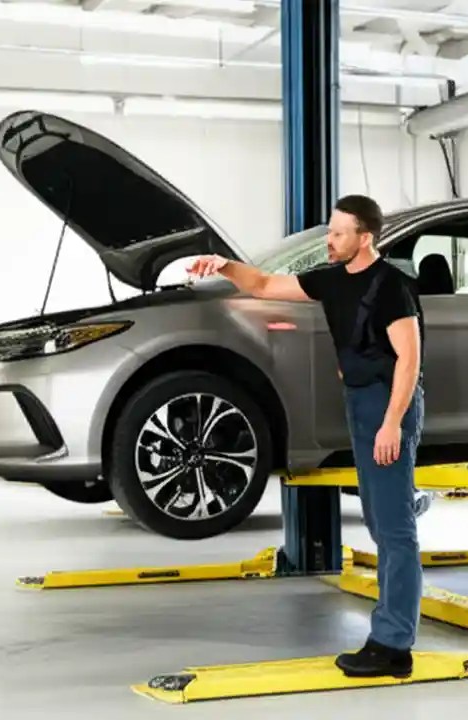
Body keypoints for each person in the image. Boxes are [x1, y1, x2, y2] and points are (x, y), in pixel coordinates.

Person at [187, 194, 425, 679]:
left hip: (386, 401)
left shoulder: (392, 286)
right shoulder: (332, 280)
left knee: (395, 529)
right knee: (382, 522)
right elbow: (265, 283)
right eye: (330, 231)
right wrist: (224, 265)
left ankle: (393, 644)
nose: (330, 241)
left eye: (339, 233)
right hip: (361, 401)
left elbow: (410, 358)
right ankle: (391, 634)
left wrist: (391, 423)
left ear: (366, 236)